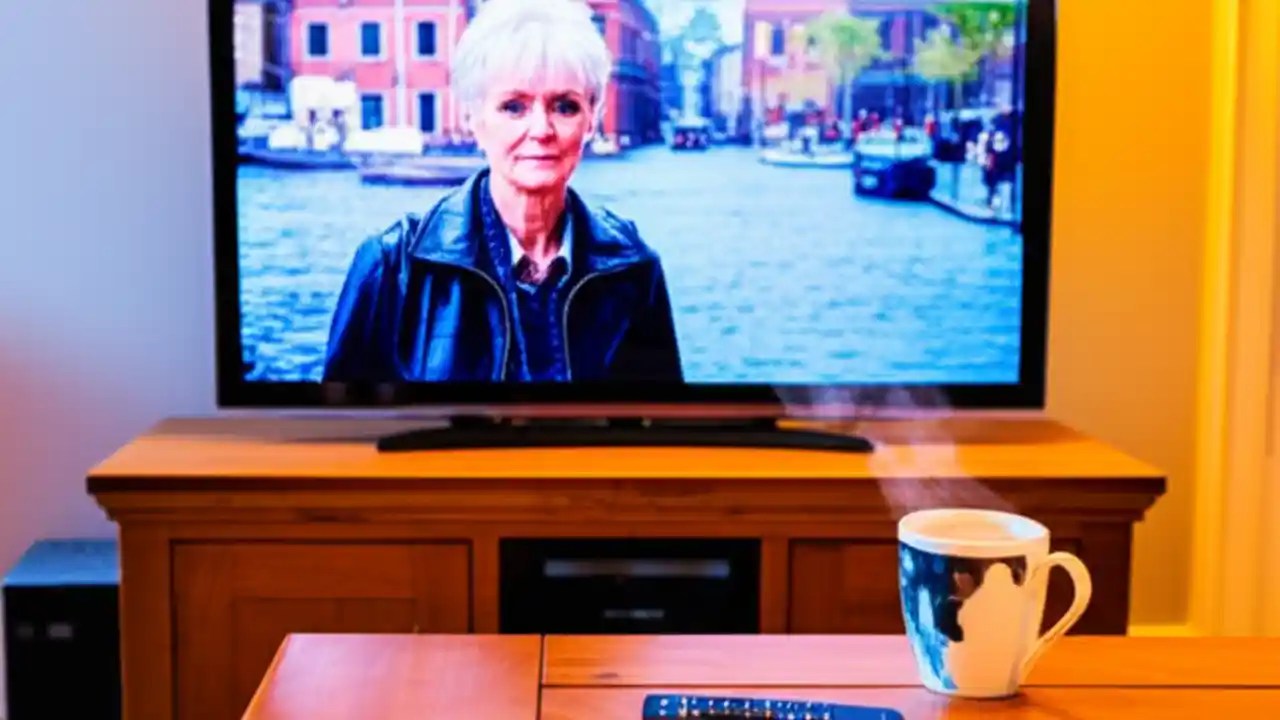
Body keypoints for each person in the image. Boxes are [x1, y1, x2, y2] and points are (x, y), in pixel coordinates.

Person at [322, 0, 683, 383]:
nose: (541, 129)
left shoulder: (633, 268)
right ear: (473, 119)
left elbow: (657, 417)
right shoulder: (391, 269)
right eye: (514, 107)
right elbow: (341, 419)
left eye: (564, 106)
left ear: (591, 119)